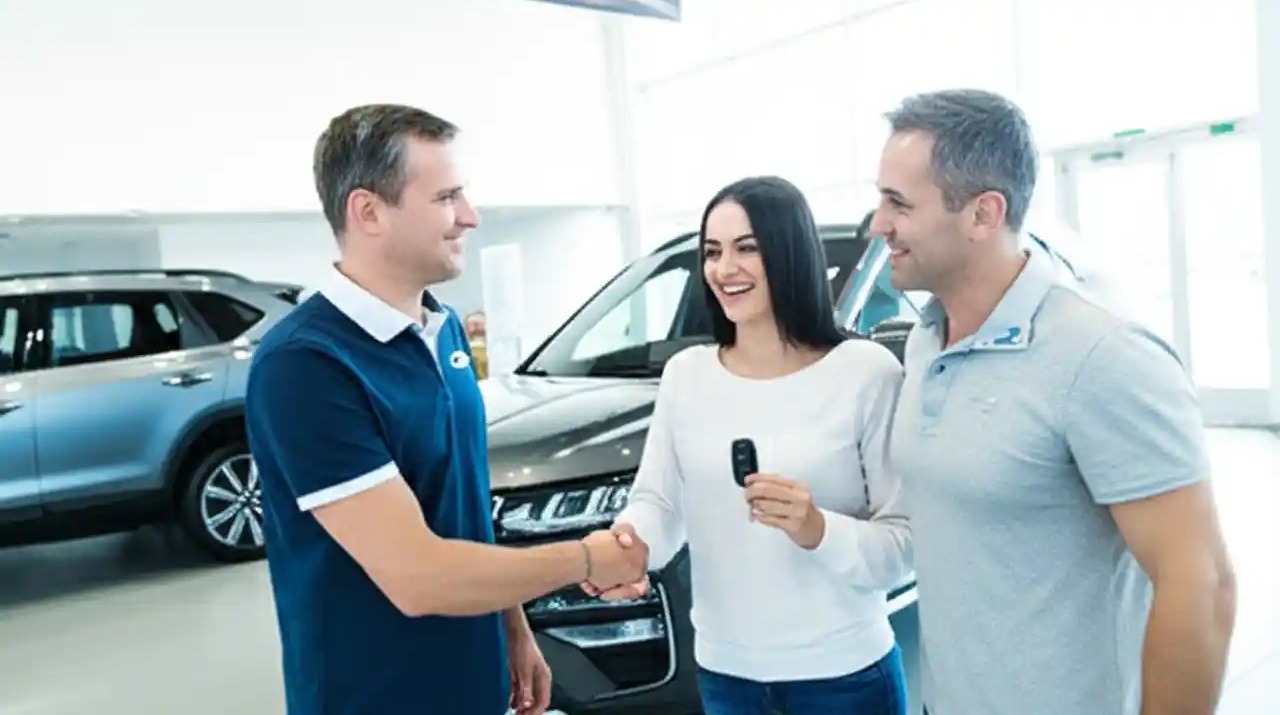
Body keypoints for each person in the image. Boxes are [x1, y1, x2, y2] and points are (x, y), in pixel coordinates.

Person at [244, 104, 646, 715]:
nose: (470, 217)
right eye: (446, 198)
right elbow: (417, 576)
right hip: (375, 696)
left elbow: (464, 500)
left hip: (473, 681)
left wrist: (512, 628)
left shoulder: (445, 329)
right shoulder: (305, 365)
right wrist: (588, 558)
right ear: (368, 211)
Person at [869, 89, 1237, 715]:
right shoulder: (927, 339)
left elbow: (1200, 585)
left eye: (898, 203)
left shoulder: (1103, 358)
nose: (878, 224)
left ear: (984, 214)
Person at [589, 176, 913, 714]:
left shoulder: (866, 372)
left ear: (788, 252)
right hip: (727, 678)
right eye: (712, 252)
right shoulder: (686, 376)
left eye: (747, 248)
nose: (723, 269)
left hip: (843, 678)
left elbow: (903, 548)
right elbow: (660, 504)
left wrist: (816, 528)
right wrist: (629, 545)